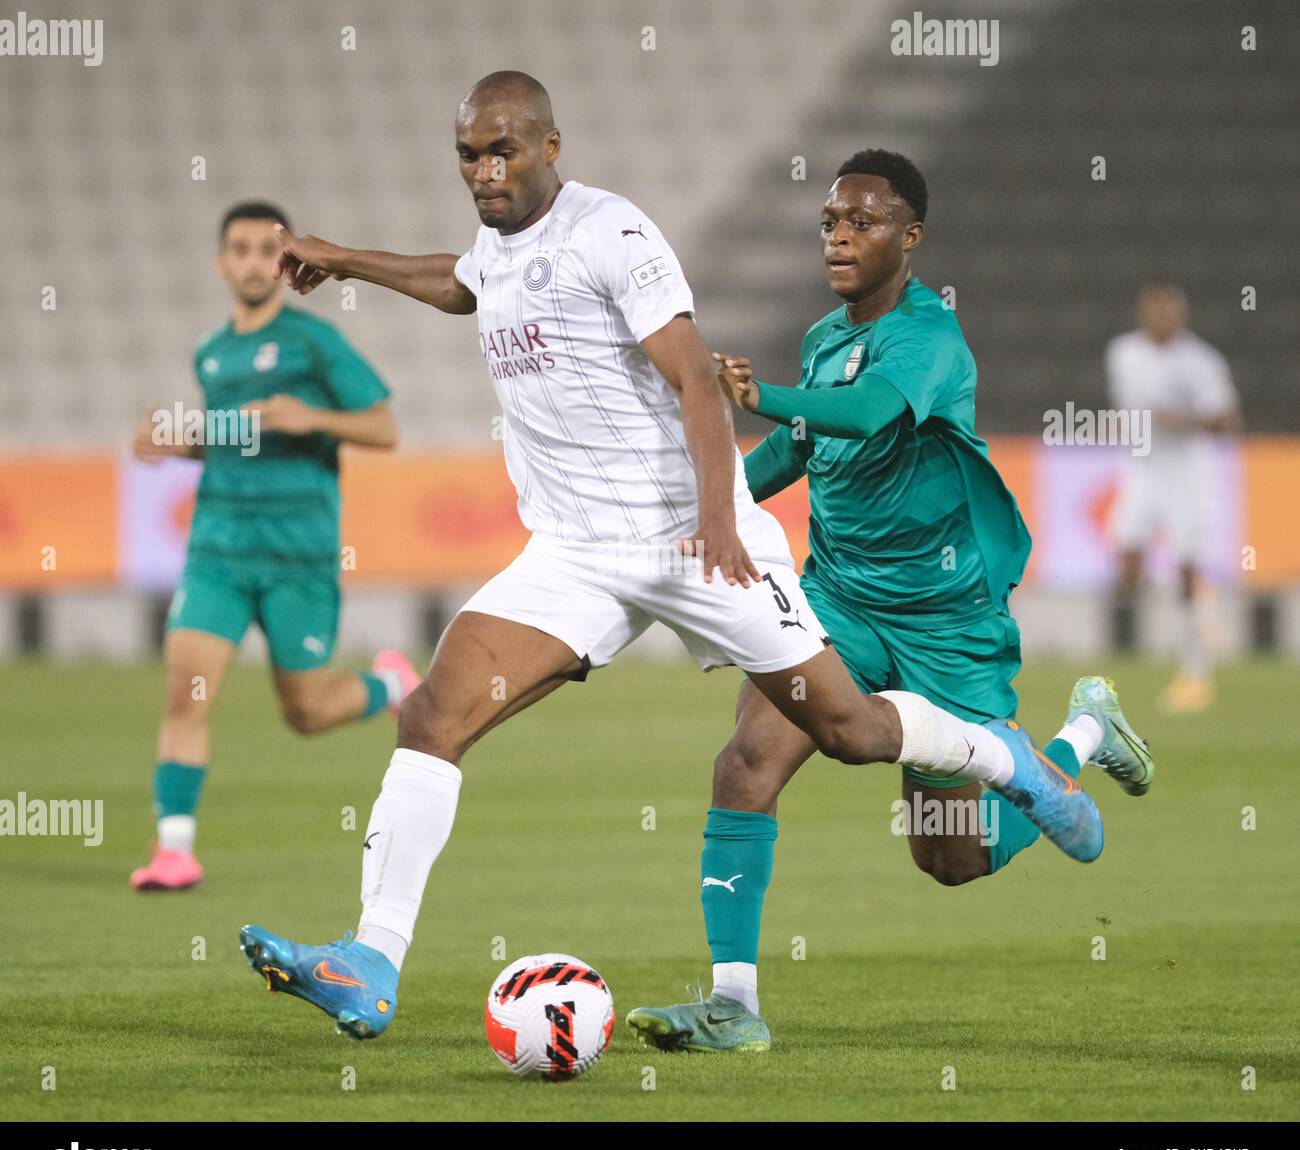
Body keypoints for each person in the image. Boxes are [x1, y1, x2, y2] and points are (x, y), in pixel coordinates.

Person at [238, 78, 1103, 1041]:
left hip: (693, 540)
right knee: (433, 713)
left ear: (549, 145)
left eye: (502, 152)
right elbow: (466, 281)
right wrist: (346, 260)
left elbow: (696, 377)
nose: (485, 171)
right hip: (574, 549)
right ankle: (372, 960)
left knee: (855, 734)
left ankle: (1007, 757)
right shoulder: (501, 250)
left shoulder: (615, 233)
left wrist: (720, 516)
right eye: (469, 156)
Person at [628, 151, 1154, 1053]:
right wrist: (709, 512)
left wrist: (760, 397)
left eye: (862, 223)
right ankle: (733, 1006)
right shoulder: (827, 338)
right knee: (745, 763)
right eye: (830, 221)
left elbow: (868, 413)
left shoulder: (930, 339)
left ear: (909, 238)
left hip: (944, 618)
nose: (839, 236)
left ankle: (1078, 741)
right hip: (836, 598)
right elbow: (805, 447)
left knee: (950, 858)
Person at [129, 200, 418, 892]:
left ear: (284, 260)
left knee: (307, 713)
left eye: (267, 249)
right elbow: (236, 444)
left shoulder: (315, 344)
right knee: (185, 695)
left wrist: (308, 415)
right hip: (219, 550)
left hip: (300, 556)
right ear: (222, 262)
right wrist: (175, 443)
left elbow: (383, 429)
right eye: (241, 249)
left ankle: (392, 685)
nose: (254, 261)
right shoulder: (211, 351)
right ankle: (175, 850)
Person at [1108, 284, 1240, 713]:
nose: (1162, 320)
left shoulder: (1200, 361)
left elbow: (1227, 421)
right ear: (1143, 314)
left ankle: (1195, 671)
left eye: (1169, 313)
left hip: (1188, 471)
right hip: (1144, 467)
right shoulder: (1123, 353)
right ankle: (1175, 632)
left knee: (1187, 567)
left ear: (1181, 316)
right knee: (1127, 561)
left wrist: (1178, 420)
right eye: (1154, 312)